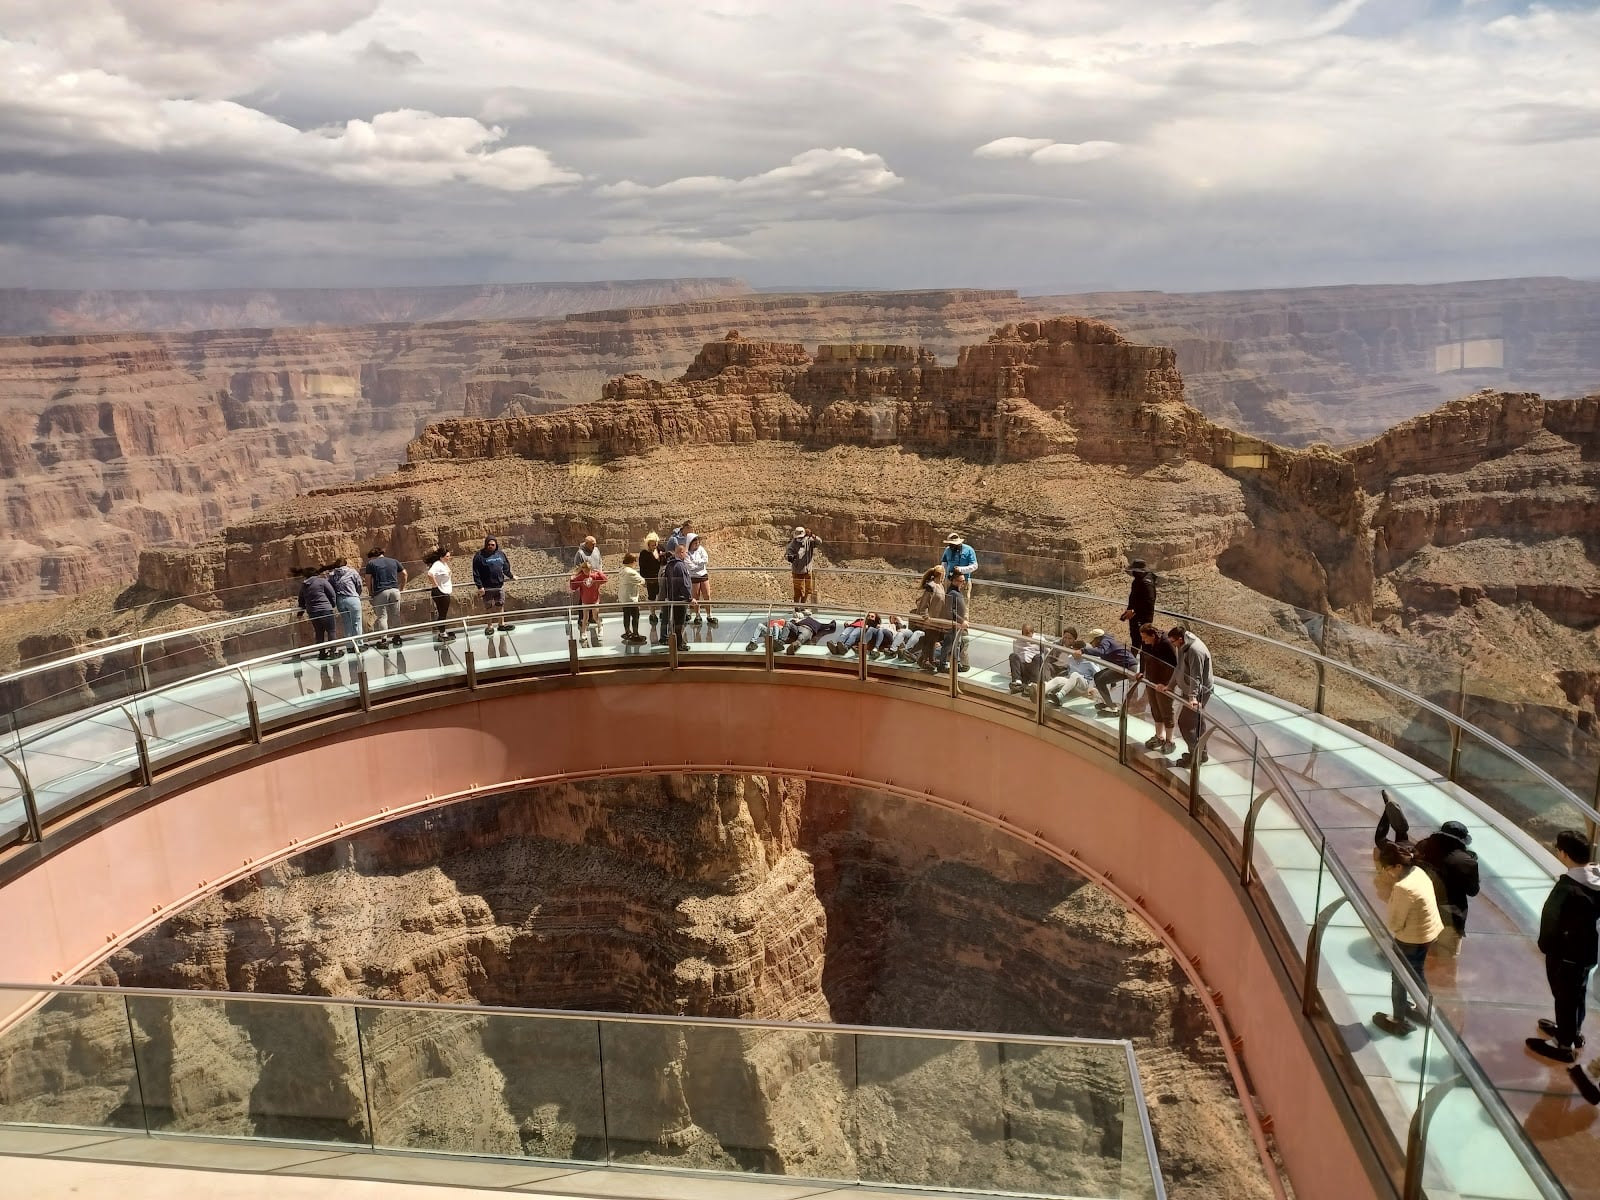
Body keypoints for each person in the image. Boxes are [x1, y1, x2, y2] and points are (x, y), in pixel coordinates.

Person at [1525, 830, 1600, 1063]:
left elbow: (1551, 922)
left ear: (1564, 854)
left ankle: (1562, 1044)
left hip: (1566, 954)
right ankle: (1572, 1032)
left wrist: (1545, 946)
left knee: (1565, 996)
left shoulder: (1567, 888)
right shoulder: (1596, 879)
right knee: (1578, 993)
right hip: (1588, 952)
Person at [1372, 841, 1443, 1037]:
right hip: (1427, 933)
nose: (1387, 872)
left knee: (1399, 978)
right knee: (1417, 971)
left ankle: (1398, 1020)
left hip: (1410, 939)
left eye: (1388, 868)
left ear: (1398, 866)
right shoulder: (1418, 872)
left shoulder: (1403, 888)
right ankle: (1424, 1010)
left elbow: (1395, 923)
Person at [1415, 819, 1481, 957]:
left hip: (1420, 909)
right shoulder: (1465, 862)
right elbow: (1473, 891)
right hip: (1449, 916)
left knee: (1417, 954)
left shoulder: (1422, 846)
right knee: (1446, 959)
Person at [1167, 626, 1214, 769]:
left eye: (1173, 642)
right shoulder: (1183, 646)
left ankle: (1195, 757)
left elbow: (1196, 676)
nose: (1172, 645)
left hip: (1198, 693)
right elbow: (1179, 668)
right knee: (1197, 723)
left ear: (1180, 639)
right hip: (1189, 690)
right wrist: (1170, 686)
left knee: (1186, 723)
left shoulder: (1194, 650)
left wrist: (1193, 697)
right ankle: (1201, 753)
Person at [1137, 623, 1177, 753]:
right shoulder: (1147, 643)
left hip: (1164, 683)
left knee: (1166, 709)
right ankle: (1159, 736)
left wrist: (1167, 685)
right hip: (1151, 679)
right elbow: (1144, 656)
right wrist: (1142, 671)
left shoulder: (1166, 644)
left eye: (1145, 637)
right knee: (1155, 707)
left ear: (1153, 635)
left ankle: (1170, 740)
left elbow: (1174, 666)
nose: (1144, 640)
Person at [1080, 628, 1139, 712]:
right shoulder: (1107, 641)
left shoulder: (1105, 642)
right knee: (1097, 676)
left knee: (1101, 681)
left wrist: (1083, 651)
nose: (1091, 645)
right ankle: (1108, 703)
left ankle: (1112, 708)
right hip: (1120, 665)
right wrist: (1112, 681)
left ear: (1097, 639)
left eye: (1091, 642)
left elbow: (1101, 652)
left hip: (1127, 667)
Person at [363, 547, 407, 648]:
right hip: (395, 590)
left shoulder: (371, 564)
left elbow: (368, 579)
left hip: (381, 592)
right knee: (396, 614)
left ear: (373, 556)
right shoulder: (394, 561)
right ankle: (397, 637)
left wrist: (370, 592)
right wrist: (402, 588)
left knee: (382, 616)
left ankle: (384, 640)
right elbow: (404, 573)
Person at [472, 536, 516, 634]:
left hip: (499, 586)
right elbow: (476, 573)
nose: (490, 546)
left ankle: (501, 624)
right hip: (486, 588)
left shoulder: (500, 554)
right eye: (488, 544)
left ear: (496, 545)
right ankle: (490, 626)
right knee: (488, 607)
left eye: (492, 545)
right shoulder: (479, 556)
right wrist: (479, 586)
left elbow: (505, 567)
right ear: (485, 544)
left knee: (500, 605)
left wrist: (511, 576)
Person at [296, 567, 340, 660]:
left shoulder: (304, 585)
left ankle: (322, 653)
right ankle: (333, 651)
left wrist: (300, 613)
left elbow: (301, 601)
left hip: (312, 612)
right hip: (326, 610)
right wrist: (332, 605)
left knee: (319, 633)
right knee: (331, 631)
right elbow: (332, 594)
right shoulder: (322, 581)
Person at [908, 566, 945, 668]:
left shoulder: (940, 586)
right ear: (941, 574)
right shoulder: (931, 586)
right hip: (929, 620)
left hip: (937, 620)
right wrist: (925, 617)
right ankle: (924, 660)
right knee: (928, 639)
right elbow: (925, 603)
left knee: (933, 639)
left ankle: (931, 659)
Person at [931, 572, 968, 673]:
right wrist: (961, 620)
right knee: (948, 644)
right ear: (955, 581)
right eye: (961, 581)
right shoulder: (952, 593)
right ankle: (942, 665)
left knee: (956, 644)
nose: (963, 583)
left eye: (964, 581)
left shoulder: (957, 592)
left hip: (957, 625)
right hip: (952, 624)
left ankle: (956, 664)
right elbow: (950, 611)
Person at [660, 543, 694, 650]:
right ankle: (679, 644)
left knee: (675, 622)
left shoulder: (670, 565)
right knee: (679, 622)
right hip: (680, 598)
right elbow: (684, 583)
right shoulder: (680, 566)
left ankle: (678, 642)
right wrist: (689, 598)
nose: (687, 555)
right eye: (686, 553)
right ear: (681, 552)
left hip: (672, 597)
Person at [1044, 641, 1098, 706]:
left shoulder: (1089, 661)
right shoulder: (1070, 658)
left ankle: (1060, 695)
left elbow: (1098, 674)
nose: (1073, 654)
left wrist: (1094, 688)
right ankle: (1041, 692)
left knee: (1075, 674)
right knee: (1058, 679)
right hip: (1071, 683)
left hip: (1083, 685)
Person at [569, 560, 608, 647]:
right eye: (584, 570)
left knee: (595, 616)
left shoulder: (595, 576)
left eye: (588, 570)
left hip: (594, 600)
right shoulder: (581, 577)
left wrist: (600, 572)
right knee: (585, 618)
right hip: (585, 600)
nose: (586, 572)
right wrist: (571, 579)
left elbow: (605, 579)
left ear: (590, 569)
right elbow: (573, 587)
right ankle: (583, 632)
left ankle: (600, 627)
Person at [1121, 559, 1157, 651]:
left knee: (1144, 642)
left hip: (1143, 618)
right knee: (1136, 640)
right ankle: (1134, 661)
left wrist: (1134, 611)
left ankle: (1141, 663)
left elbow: (1149, 602)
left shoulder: (1145, 583)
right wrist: (1128, 611)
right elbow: (1135, 598)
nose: (1133, 573)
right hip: (1136, 617)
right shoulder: (1140, 580)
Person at [327, 560, 364, 644]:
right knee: (356, 622)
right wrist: (357, 594)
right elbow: (359, 584)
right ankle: (359, 644)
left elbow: (331, 589)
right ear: (345, 563)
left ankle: (350, 646)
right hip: (352, 598)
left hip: (340, 600)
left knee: (347, 623)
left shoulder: (332, 575)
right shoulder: (352, 572)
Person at [786, 526, 823, 605]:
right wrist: (791, 557)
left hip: (807, 571)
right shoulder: (793, 544)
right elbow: (788, 554)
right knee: (798, 592)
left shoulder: (809, 541)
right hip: (798, 572)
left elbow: (820, 542)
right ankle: (796, 609)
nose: (799, 539)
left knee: (807, 590)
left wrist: (813, 535)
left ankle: (802, 606)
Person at [425, 549, 455, 641]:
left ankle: (442, 631)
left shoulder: (443, 564)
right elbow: (430, 574)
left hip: (444, 591)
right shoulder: (437, 564)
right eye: (447, 556)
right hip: (440, 592)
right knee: (442, 613)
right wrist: (435, 585)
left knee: (443, 613)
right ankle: (442, 633)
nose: (449, 558)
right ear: (441, 557)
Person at [686, 534, 715, 625]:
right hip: (694, 577)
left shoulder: (701, 549)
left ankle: (709, 615)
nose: (697, 545)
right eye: (695, 543)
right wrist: (699, 564)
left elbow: (705, 560)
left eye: (698, 543)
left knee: (707, 595)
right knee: (696, 596)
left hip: (703, 575)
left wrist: (697, 562)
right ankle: (697, 615)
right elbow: (690, 567)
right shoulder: (687, 553)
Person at [618, 552, 646, 643]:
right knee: (635, 615)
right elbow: (642, 581)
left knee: (626, 615)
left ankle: (627, 631)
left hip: (624, 597)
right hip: (631, 598)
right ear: (632, 561)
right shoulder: (630, 572)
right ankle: (635, 633)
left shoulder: (622, 570)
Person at [639, 533, 665, 630]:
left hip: (661, 577)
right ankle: (653, 614)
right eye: (652, 544)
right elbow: (642, 568)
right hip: (651, 578)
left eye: (655, 544)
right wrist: (646, 579)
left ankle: (663, 612)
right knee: (652, 597)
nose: (654, 546)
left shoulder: (660, 549)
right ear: (648, 544)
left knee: (662, 595)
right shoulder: (644, 553)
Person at [1009, 624, 1043, 693]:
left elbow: (1047, 652)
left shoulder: (1039, 640)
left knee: (1038, 657)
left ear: (1032, 633)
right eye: (1023, 633)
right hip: (1022, 666)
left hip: (1033, 666)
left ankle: (1033, 684)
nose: (1025, 635)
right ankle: (1017, 682)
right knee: (1013, 656)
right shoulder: (1017, 640)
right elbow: (1016, 655)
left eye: (1027, 633)